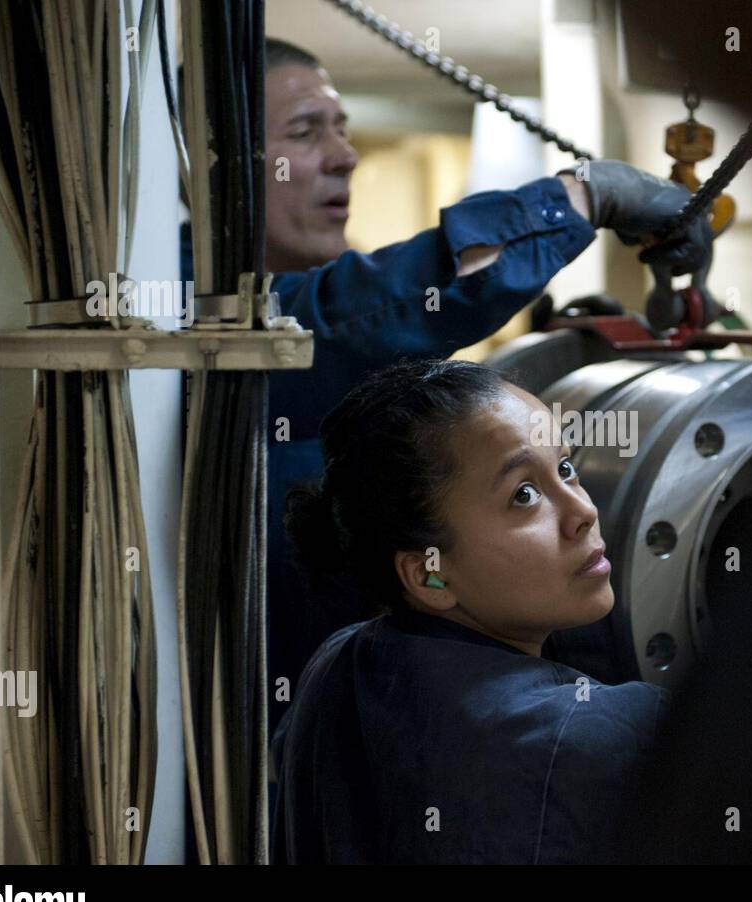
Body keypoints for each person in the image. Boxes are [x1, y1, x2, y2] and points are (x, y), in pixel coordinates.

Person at [178, 38, 712, 734]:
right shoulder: (185, 321)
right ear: (206, 169)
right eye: (306, 132)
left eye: (342, 127)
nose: (345, 154)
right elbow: (357, 316)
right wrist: (581, 199)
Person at [271, 358, 668, 863]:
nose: (583, 511)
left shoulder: (337, 661)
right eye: (524, 495)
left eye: (565, 467)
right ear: (430, 574)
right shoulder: (605, 738)